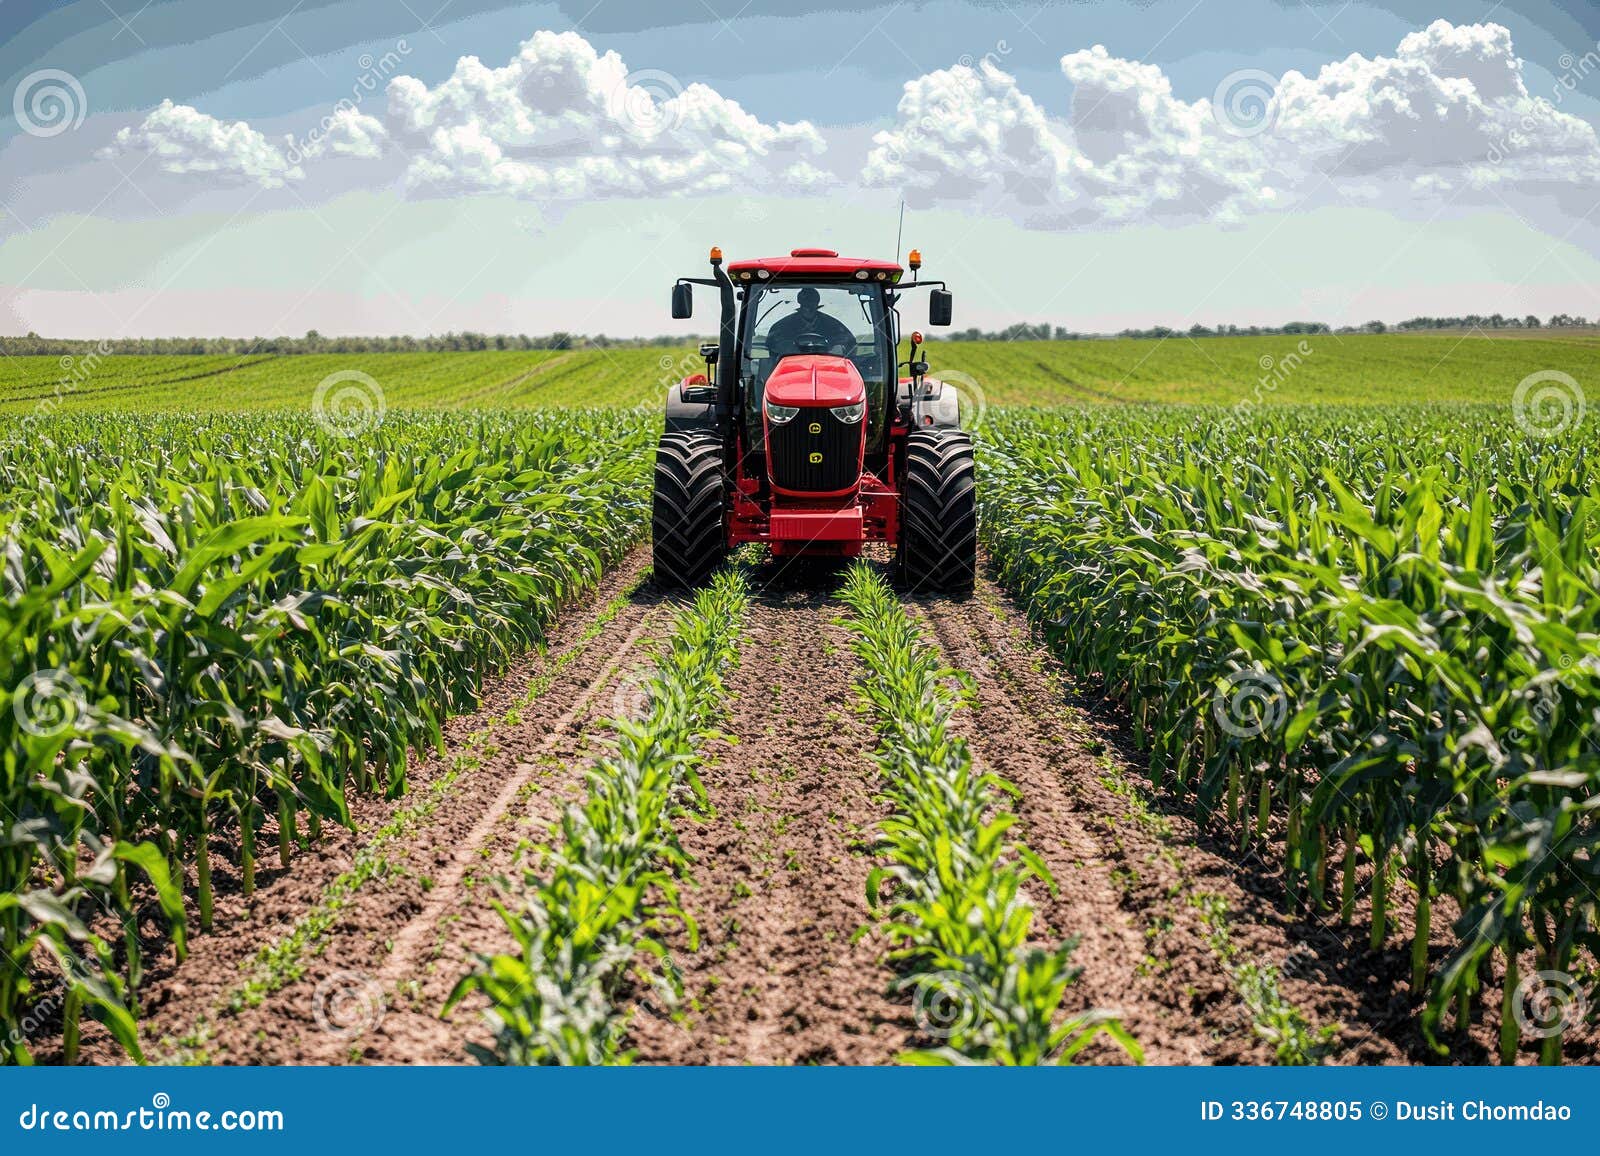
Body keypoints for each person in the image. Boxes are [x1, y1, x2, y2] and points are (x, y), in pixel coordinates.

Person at [764, 287, 857, 359]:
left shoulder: (833, 325)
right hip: (791, 367)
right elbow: (772, 346)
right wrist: (789, 349)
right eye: (805, 304)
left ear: (817, 303)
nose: (808, 308)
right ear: (800, 302)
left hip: (828, 365)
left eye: (811, 303)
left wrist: (837, 348)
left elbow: (849, 342)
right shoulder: (782, 327)